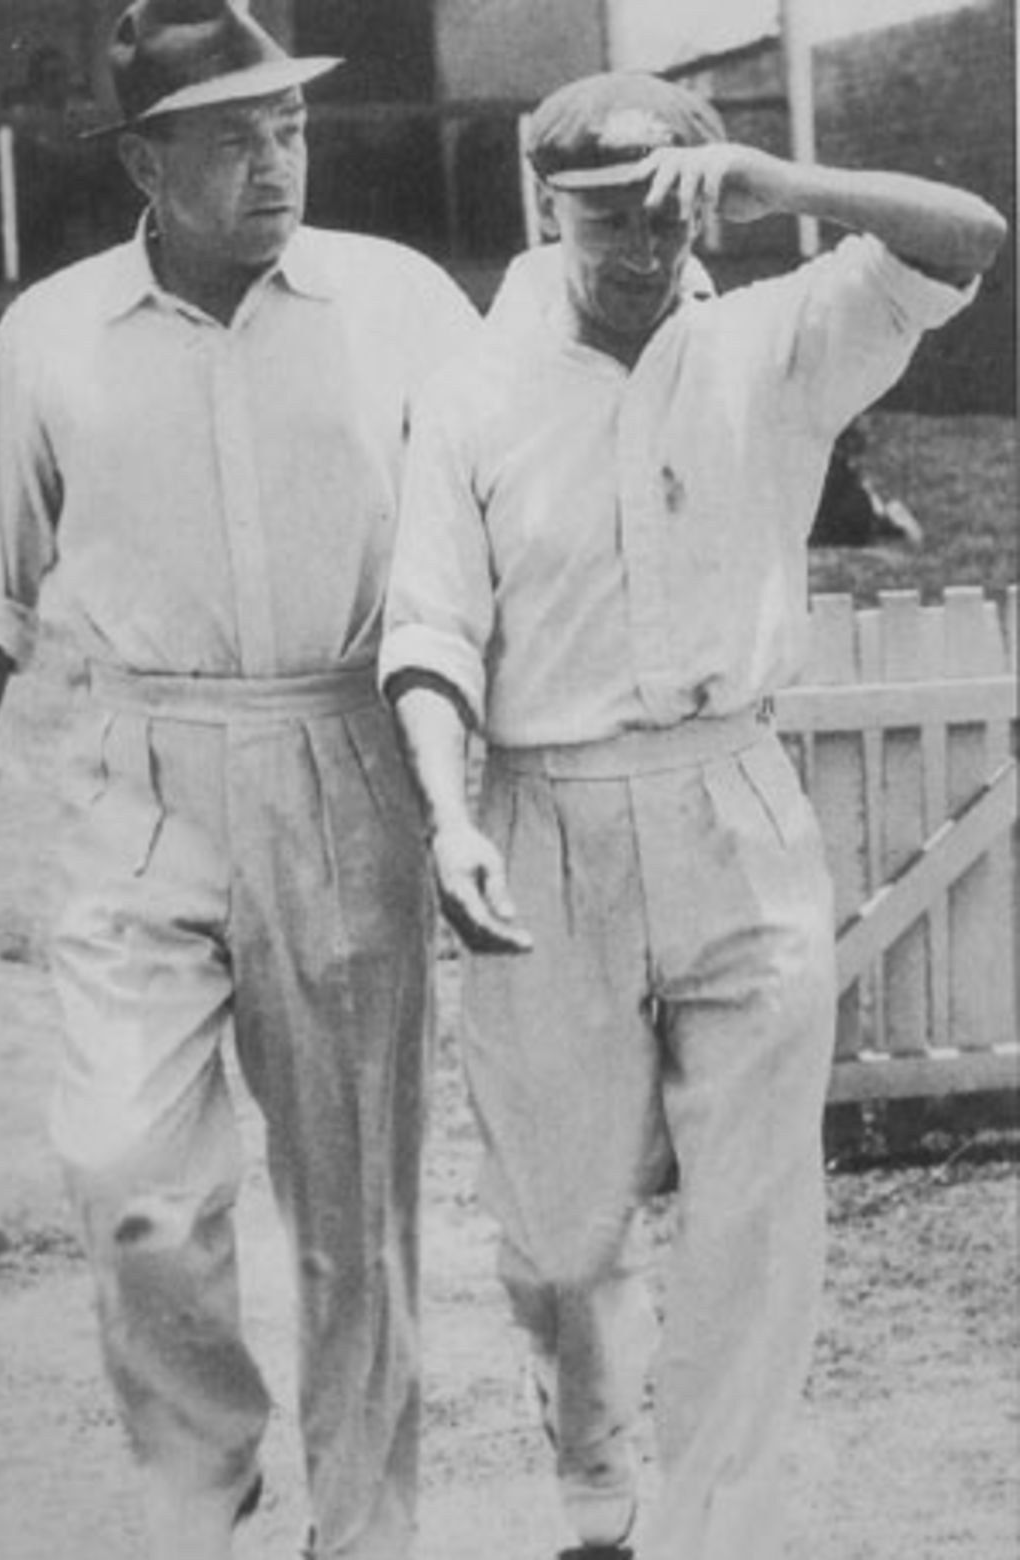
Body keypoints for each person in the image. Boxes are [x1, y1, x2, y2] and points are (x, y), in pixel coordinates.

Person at [379, 71, 1005, 1560]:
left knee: (754, 1218)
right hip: (545, 817)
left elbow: (970, 234)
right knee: (557, 1232)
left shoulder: (771, 343)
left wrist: (778, 183)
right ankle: (596, 1491)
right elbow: (427, 632)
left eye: (670, 203)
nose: (644, 239)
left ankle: (721, 1530)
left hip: (733, 799)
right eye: (608, 210)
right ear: (549, 208)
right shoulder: (473, 394)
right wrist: (446, 815)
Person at [0, 3, 479, 1558]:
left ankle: (363, 1533)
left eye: (287, 123)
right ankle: (199, 1502)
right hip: (139, 779)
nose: (272, 157)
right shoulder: (53, 338)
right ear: (145, 162)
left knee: (357, 1217)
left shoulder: (403, 304)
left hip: (347, 758)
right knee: (128, 1174)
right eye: (228, 134)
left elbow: (503, 529)